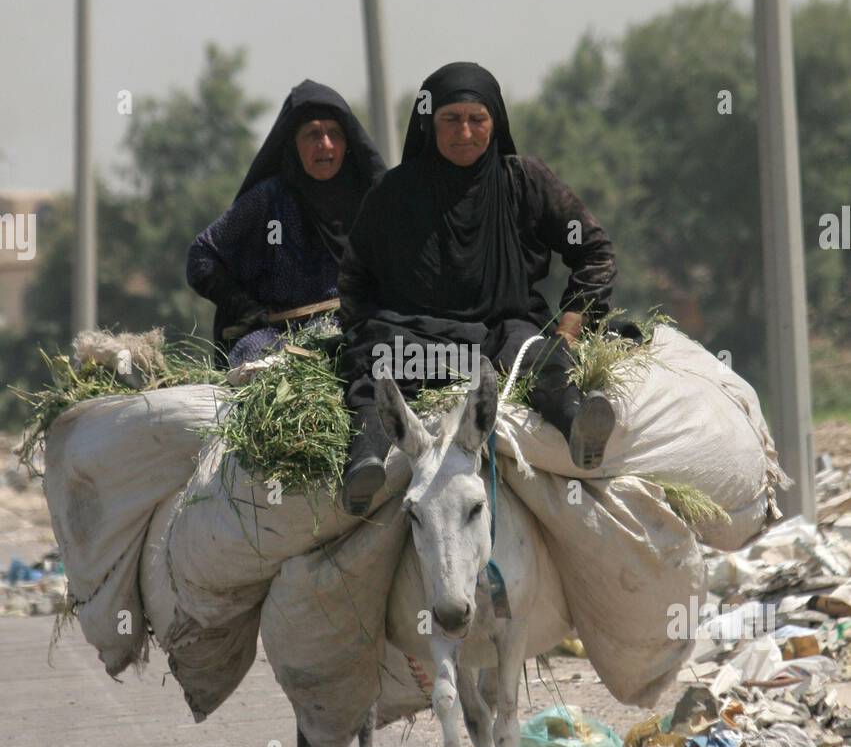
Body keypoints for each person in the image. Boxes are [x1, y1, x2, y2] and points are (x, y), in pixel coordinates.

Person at [337, 61, 620, 515]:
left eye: (477, 119)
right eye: (451, 119)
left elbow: (595, 251)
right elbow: (354, 280)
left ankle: (577, 423)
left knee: (537, 355)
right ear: (430, 124)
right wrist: (367, 330)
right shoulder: (392, 194)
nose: (464, 132)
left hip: (498, 342)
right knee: (377, 362)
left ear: (495, 122)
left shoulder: (523, 182)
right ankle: (365, 459)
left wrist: (570, 327)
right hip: (419, 345)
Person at [186, 80, 385, 366]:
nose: (325, 144)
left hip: (358, 329)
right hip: (280, 335)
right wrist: (244, 308)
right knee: (258, 361)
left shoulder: (373, 201)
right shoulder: (268, 199)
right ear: (293, 142)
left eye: (334, 134)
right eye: (313, 134)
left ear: (348, 143)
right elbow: (201, 255)